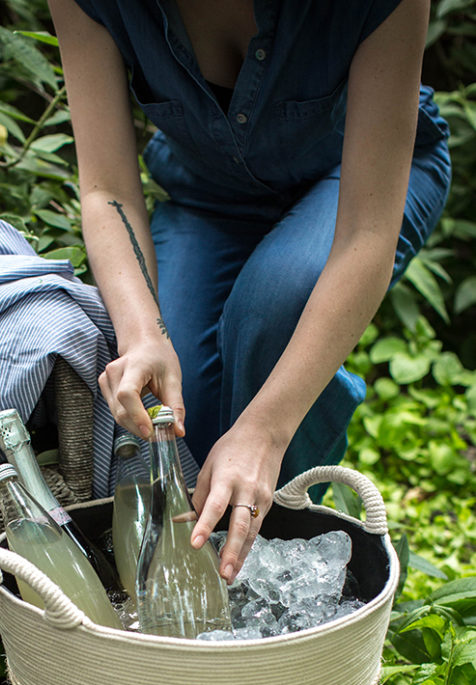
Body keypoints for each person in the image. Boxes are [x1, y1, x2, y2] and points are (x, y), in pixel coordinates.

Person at [46, 0, 451, 581]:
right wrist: (142, 336)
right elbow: (105, 188)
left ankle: (291, 558)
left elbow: (365, 235)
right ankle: (220, 583)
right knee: (186, 422)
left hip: (359, 179)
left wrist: (264, 430)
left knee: (272, 308)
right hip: (208, 194)